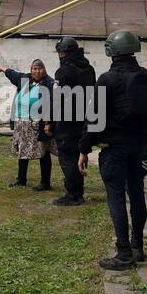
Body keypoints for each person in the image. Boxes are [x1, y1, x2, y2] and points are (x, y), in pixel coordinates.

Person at [78, 30, 147, 270]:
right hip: (139, 148)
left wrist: (84, 148)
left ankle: (123, 253)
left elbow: (95, 118)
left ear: (112, 51)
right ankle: (138, 246)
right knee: (137, 194)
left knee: (116, 198)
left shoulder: (107, 79)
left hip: (114, 150)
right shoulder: (145, 76)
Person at [49, 36, 96, 207]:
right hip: (83, 120)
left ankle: (73, 195)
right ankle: (78, 192)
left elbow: (55, 99)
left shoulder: (64, 72)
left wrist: (50, 122)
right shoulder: (88, 69)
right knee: (78, 155)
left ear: (62, 52)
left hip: (66, 122)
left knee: (67, 158)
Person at [0, 59, 53, 190]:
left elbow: (51, 104)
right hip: (22, 123)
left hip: (38, 123)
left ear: (44, 70)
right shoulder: (25, 79)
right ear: (31, 69)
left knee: (43, 152)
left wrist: (48, 123)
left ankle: (45, 182)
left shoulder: (49, 84)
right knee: (23, 150)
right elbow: (13, 74)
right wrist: (3, 69)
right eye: (34, 68)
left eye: (40, 68)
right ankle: (21, 179)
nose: (37, 71)